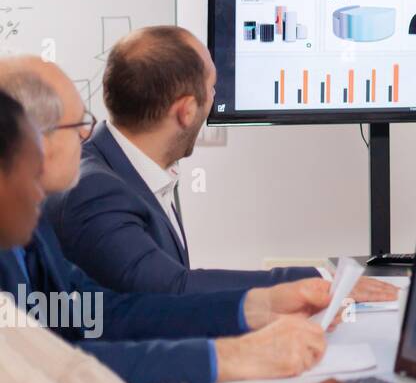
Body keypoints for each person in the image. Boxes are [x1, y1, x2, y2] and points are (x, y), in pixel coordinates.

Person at [0, 88, 381, 383]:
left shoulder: (28, 234)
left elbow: (63, 353)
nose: (38, 192)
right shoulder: (91, 193)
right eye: (28, 173)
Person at [0, 57, 370, 383]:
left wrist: (258, 305)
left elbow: (99, 313)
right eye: (79, 125)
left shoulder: (30, 224)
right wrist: (236, 356)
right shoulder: (88, 191)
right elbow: (36, 370)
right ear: (31, 139)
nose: (87, 137)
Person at [44, 26, 390, 299]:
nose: (215, 99)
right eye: (211, 89)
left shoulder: (129, 166)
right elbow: (171, 291)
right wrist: (320, 282)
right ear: (186, 110)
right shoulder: (95, 191)